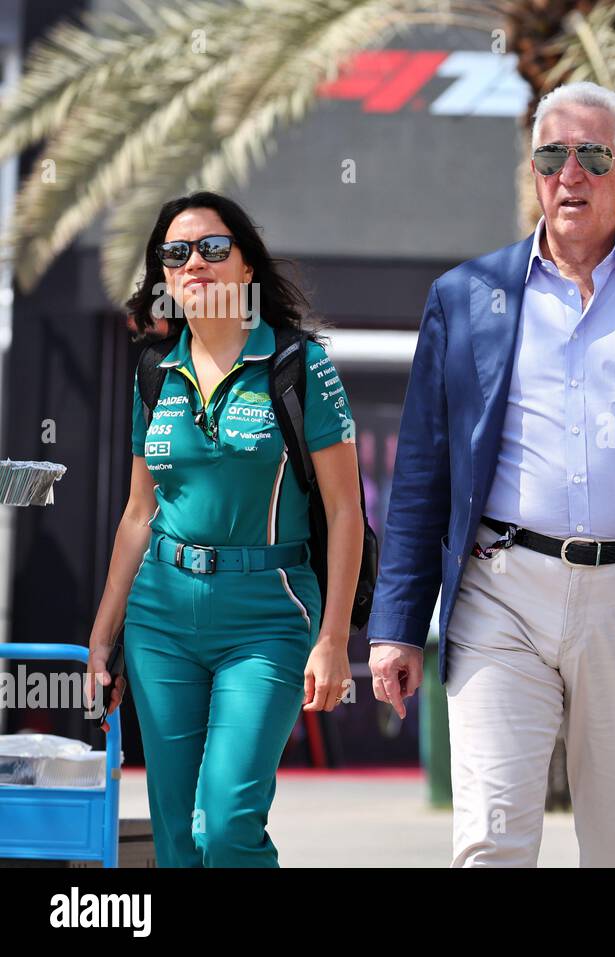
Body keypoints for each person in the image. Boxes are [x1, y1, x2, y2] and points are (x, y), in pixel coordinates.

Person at [367, 82, 615, 867]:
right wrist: (394, 624)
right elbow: (422, 470)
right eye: (553, 156)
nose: (571, 174)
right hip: (501, 593)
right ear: (534, 171)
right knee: (490, 841)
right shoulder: (466, 296)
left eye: (592, 156)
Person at [84, 192, 364, 867]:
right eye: (176, 254)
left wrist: (331, 639)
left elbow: (346, 509)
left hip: (268, 614)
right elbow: (138, 513)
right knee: (177, 839)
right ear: (165, 279)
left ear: (246, 268)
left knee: (226, 824)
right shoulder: (154, 372)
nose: (194, 263)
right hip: (161, 618)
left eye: (213, 247)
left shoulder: (298, 365)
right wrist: (102, 635)